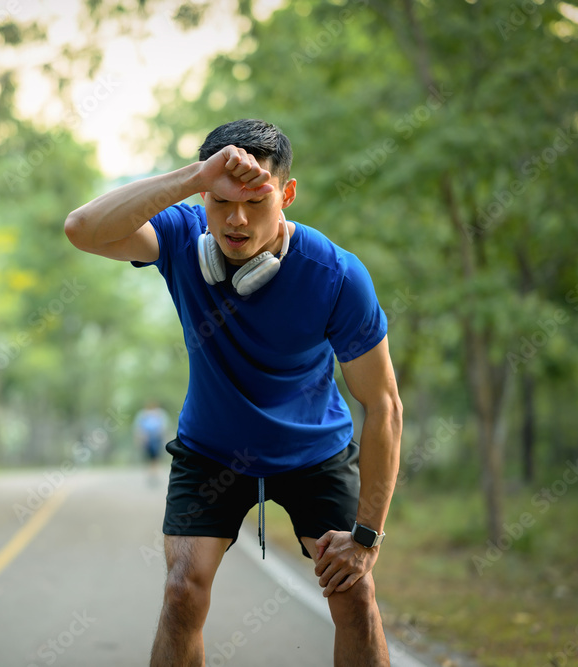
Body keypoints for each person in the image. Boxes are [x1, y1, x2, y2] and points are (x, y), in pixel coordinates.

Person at [64, 119, 402, 667]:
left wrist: (366, 536)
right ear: (203, 196)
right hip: (212, 448)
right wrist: (197, 175)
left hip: (314, 452)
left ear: (287, 194)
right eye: (221, 201)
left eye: (256, 199)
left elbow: (383, 404)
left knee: (355, 595)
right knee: (182, 592)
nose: (236, 219)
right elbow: (82, 228)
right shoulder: (179, 235)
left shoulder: (336, 275)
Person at [134, 399, 170, 483]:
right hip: (147, 439)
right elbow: (138, 428)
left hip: (157, 438)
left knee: (156, 457)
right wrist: (140, 438)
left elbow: (164, 427)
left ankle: (154, 474)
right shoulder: (143, 414)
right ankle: (151, 474)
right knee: (149, 457)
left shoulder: (160, 414)